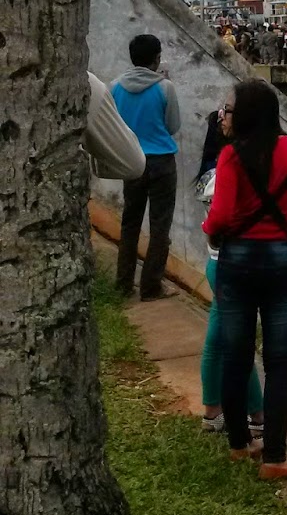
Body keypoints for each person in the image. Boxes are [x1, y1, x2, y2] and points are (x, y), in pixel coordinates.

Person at [202, 79, 287, 481]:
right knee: (279, 362)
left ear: (245, 114)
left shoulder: (231, 156)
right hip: (282, 259)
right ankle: (275, 457)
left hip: (237, 260)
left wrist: (211, 230)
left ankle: (239, 445)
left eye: (228, 109)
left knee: (237, 354)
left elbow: (221, 216)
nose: (223, 115)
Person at [195, 103, 264, 442]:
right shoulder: (229, 172)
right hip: (233, 264)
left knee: (219, 339)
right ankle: (256, 415)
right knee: (237, 343)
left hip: (216, 262)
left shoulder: (208, 176)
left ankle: (215, 411)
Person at [110, 34, 182, 300]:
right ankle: (151, 286)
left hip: (131, 161)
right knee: (160, 225)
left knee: (130, 222)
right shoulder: (165, 88)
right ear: (157, 58)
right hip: (162, 161)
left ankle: (123, 284)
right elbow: (173, 126)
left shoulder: (115, 87)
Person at [86, 72, 145, 183]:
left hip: (122, 151)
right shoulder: (87, 86)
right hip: (153, 155)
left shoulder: (116, 86)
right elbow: (173, 125)